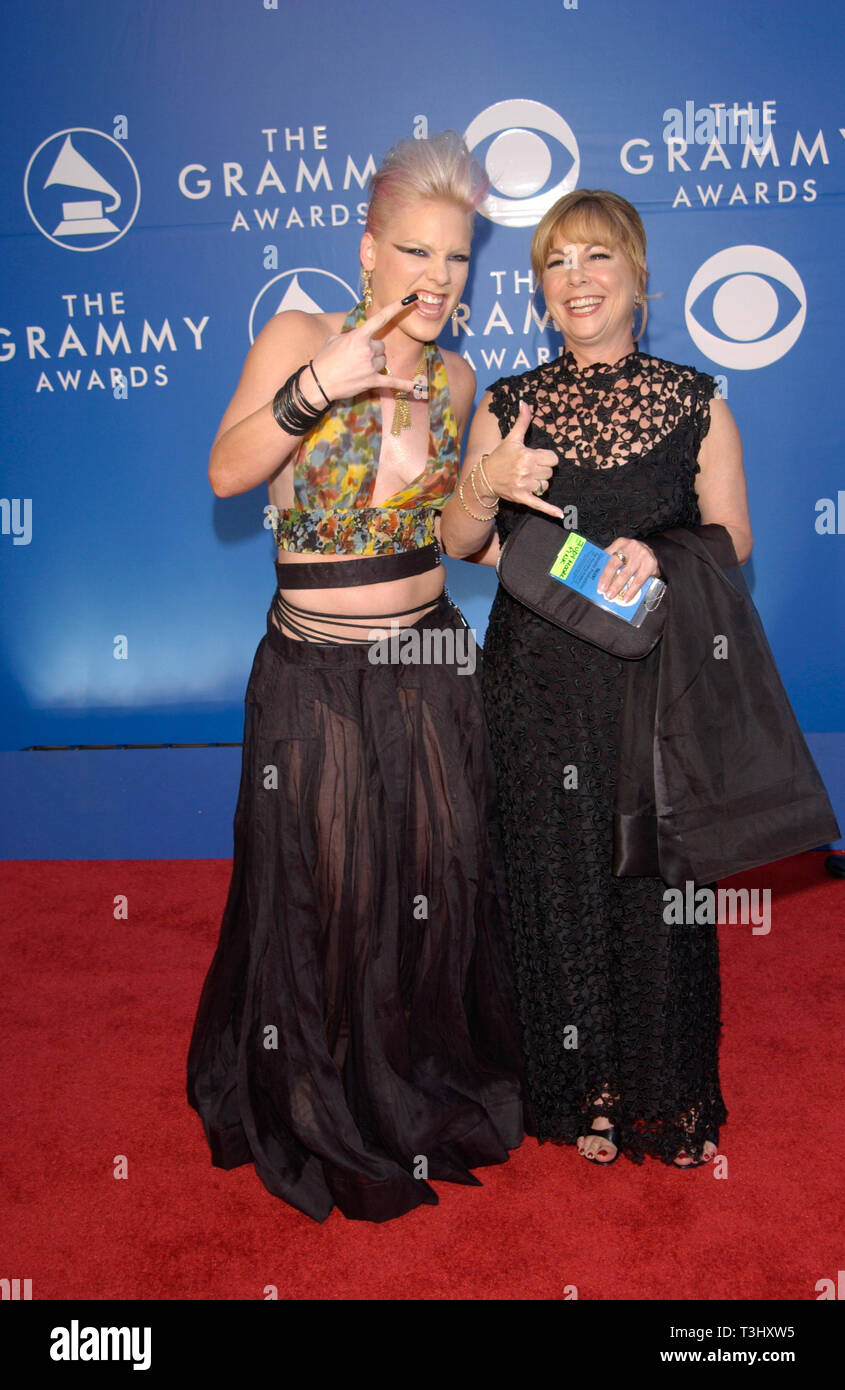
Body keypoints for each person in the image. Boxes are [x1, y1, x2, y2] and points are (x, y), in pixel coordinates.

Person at [187, 132, 524, 1223]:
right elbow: (228, 473)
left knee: (431, 893)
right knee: (329, 900)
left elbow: (464, 537)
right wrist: (316, 386)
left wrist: (559, 536)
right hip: (314, 671)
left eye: (458, 259)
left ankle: (418, 1084)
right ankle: (321, 1100)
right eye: (417, 253)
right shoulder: (300, 333)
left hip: (430, 663)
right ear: (369, 250)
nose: (436, 280)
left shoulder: (459, 375)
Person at [440, 189, 753, 1169]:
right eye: (554, 262)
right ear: (538, 289)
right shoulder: (507, 403)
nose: (574, 279)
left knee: (654, 881)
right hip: (532, 684)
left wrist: (660, 553)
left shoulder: (696, 402)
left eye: (594, 258)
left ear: (636, 278)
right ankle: (586, 1089)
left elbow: (732, 539)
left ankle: (660, 1085)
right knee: (550, 878)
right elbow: (459, 541)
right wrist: (482, 484)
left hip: (649, 685)